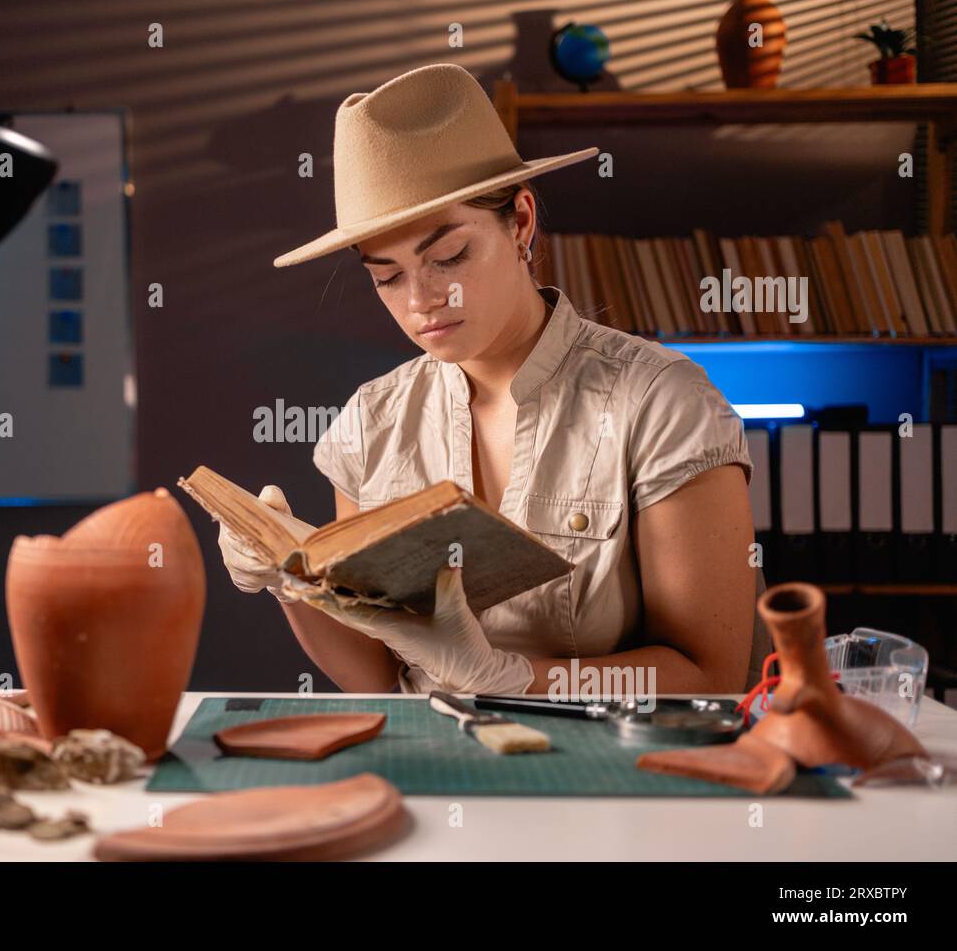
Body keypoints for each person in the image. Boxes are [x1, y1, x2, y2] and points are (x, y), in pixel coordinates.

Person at [218, 63, 759, 696]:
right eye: (385, 276)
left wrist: (507, 679)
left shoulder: (661, 403)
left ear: (521, 221)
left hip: (612, 782)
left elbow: (711, 679)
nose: (421, 299)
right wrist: (294, 582)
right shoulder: (371, 425)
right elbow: (378, 679)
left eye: (447, 256)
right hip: (435, 772)